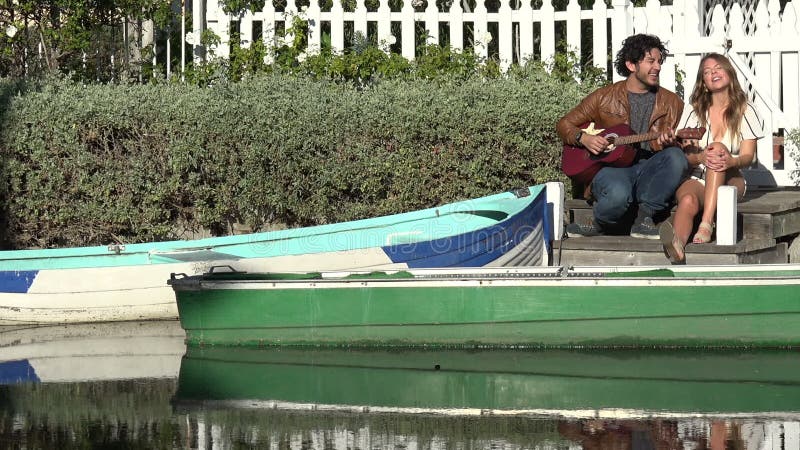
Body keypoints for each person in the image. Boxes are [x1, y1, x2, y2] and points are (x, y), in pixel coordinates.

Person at [557, 34, 688, 239]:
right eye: (650, 61)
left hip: (649, 168)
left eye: (659, 62)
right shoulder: (604, 97)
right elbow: (564, 124)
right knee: (618, 195)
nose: (658, 67)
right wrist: (584, 138)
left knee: (676, 157)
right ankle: (600, 224)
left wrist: (670, 143)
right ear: (631, 64)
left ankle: (644, 218)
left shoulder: (672, 103)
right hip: (612, 169)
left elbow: (672, 154)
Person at [659, 53, 764, 263]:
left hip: (731, 177)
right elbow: (687, 158)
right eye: (707, 72)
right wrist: (700, 157)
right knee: (687, 200)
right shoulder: (693, 110)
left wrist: (731, 161)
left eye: (717, 68)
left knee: (716, 149)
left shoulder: (746, 109)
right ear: (704, 83)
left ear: (729, 73)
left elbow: (748, 156)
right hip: (697, 176)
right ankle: (676, 246)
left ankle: (706, 223)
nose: (713, 73)